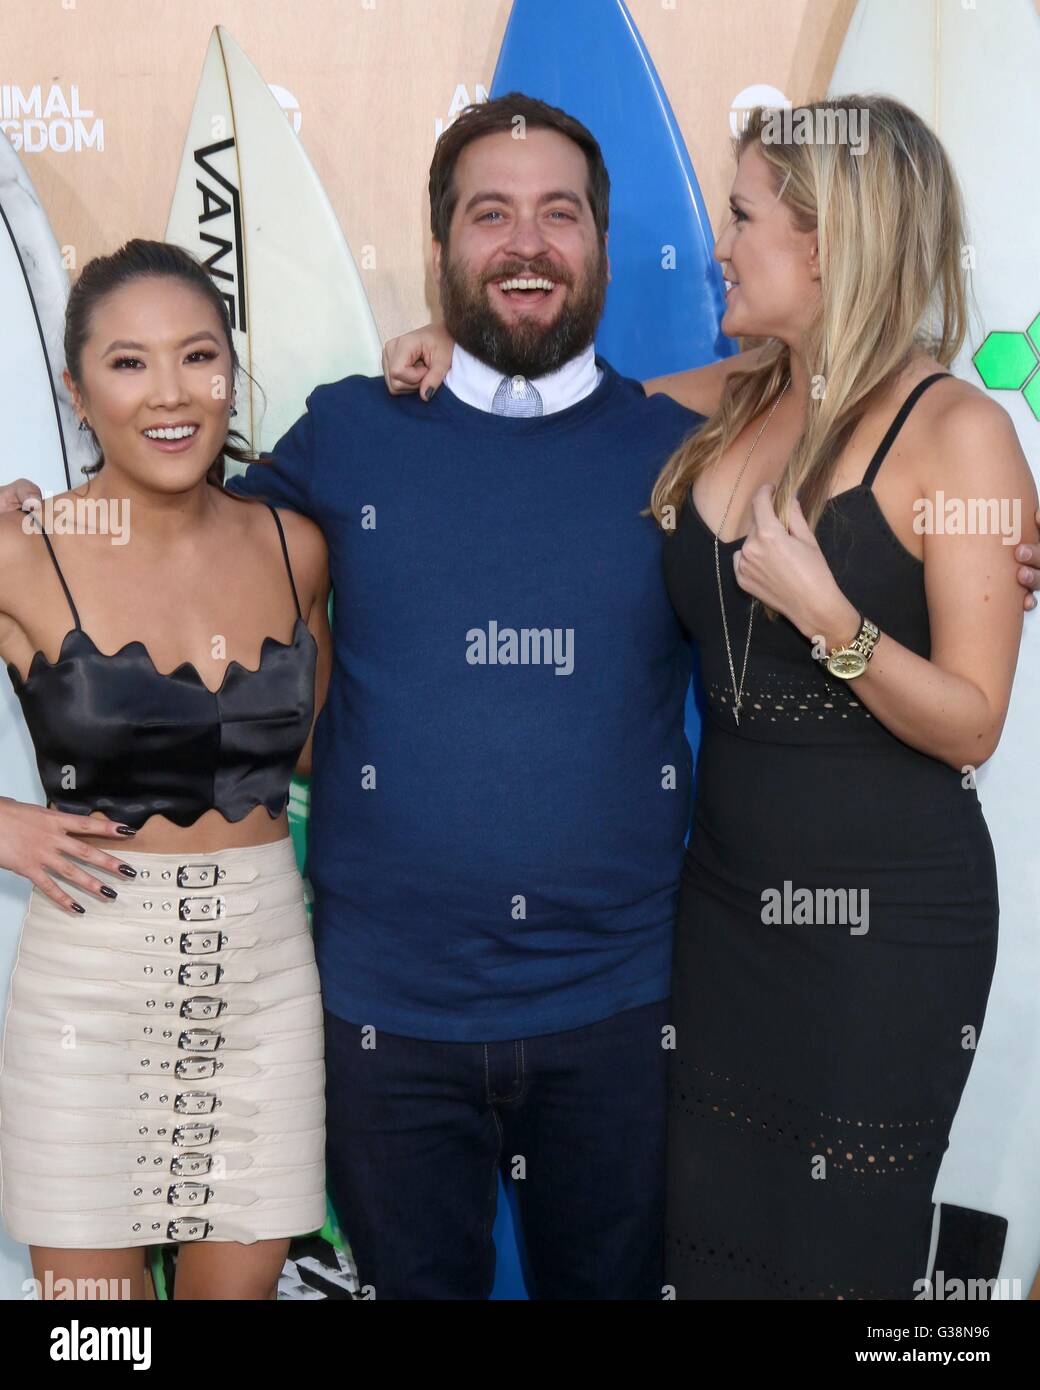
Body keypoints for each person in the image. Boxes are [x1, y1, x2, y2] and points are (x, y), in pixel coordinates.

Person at [381, 97, 1040, 1299]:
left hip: (885, 935)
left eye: (740, 218)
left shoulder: (959, 433)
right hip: (724, 916)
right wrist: (450, 342)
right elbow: (578, 400)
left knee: (835, 1265)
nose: (718, 246)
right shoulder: (735, 396)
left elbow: (972, 722)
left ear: (829, 239)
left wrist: (830, 618)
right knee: (708, 1252)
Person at [0, 240, 331, 1300]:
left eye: (198, 356)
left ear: (232, 371)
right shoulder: (26, 550)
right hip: (87, 997)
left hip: (267, 986)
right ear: (76, 391)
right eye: (129, 364)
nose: (171, 394)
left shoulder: (294, 546)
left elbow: (329, 742)